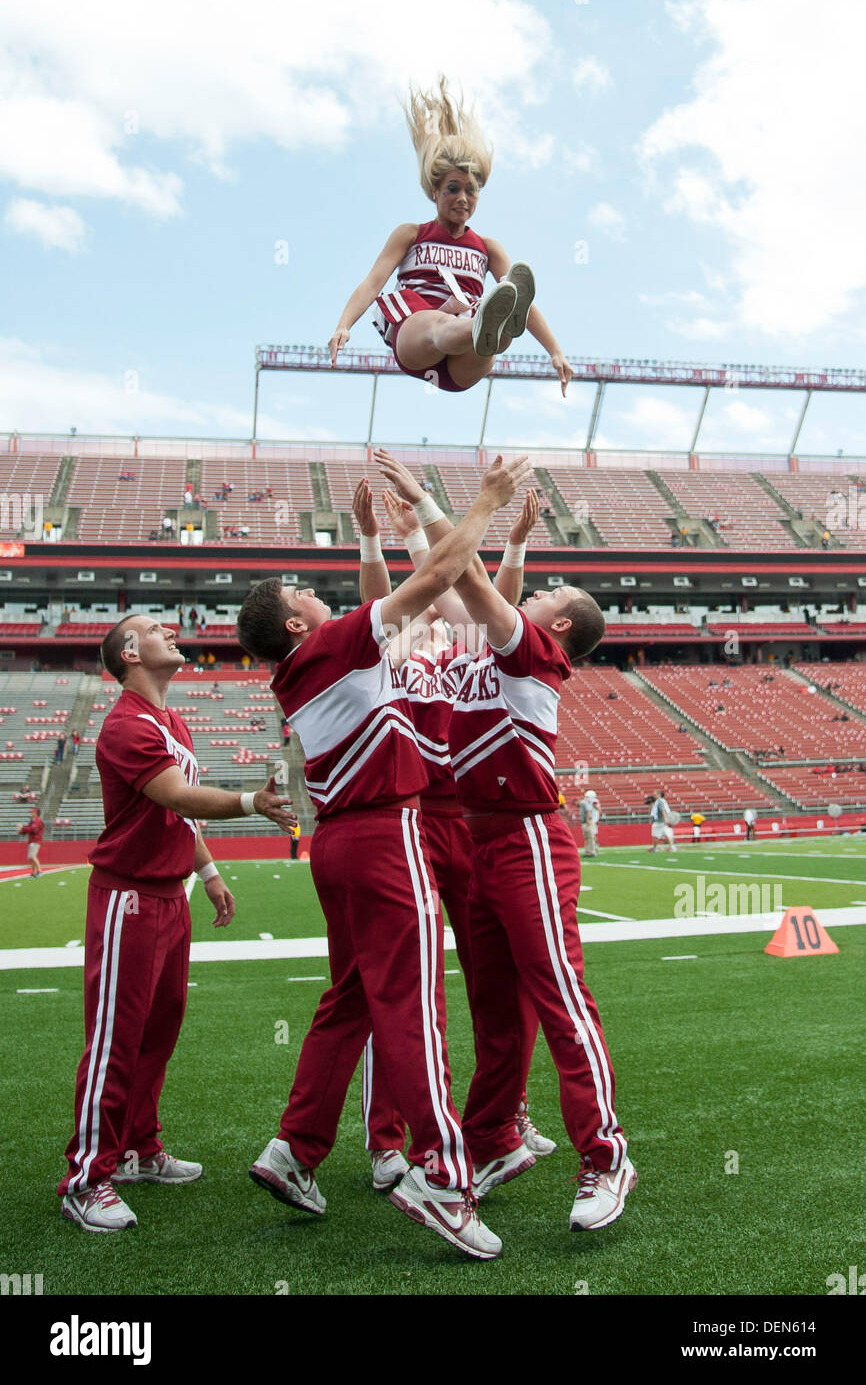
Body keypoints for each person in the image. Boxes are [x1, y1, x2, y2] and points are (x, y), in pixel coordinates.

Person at [235, 453, 531, 1260]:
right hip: (383, 828)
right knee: (414, 1005)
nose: (316, 593)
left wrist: (381, 535)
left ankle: (294, 1148)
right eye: (304, 594)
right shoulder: (329, 645)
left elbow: (402, 605)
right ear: (297, 624)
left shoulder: (316, 659)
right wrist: (483, 503)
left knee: (350, 999)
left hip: (338, 839)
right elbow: (435, 577)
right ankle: (440, 1172)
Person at [374, 450, 634, 1233]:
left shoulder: (531, 650)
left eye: (548, 592)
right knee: (493, 1005)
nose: (537, 590)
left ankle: (605, 1153)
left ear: (556, 626)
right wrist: (425, 519)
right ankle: (491, 1139)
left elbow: (475, 585)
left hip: (528, 839)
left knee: (560, 999)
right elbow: (449, 582)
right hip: (483, 844)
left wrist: (442, 500)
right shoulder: (484, 648)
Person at [57, 615, 296, 1234]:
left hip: (169, 895)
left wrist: (209, 872)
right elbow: (179, 797)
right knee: (115, 1040)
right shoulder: (125, 723)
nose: (171, 629)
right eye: (153, 627)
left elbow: (180, 822)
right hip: (128, 900)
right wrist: (250, 802)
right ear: (130, 653)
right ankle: (86, 1177)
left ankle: (138, 1148)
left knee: (157, 1033)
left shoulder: (171, 719)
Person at [352, 473, 555, 1192]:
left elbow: (481, 590)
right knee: (403, 982)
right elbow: (400, 592)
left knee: (498, 981)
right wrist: (385, 534)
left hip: (469, 820)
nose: (434, 599)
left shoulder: (466, 642)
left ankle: (506, 1112)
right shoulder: (402, 642)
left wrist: (519, 544)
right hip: (413, 815)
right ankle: (386, 1138)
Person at [328, 78, 572, 397]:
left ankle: (492, 327)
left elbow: (529, 306)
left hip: (463, 357)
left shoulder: (488, 248)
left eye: (471, 191)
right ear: (435, 192)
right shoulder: (411, 234)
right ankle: (484, 323)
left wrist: (555, 350)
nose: (462, 198)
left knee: (497, 335)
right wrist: (344, 324)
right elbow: (373, 282)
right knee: (443, 327)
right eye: (453, 189)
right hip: (418, 331)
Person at [18, 805, 44, 877]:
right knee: (30, 857)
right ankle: (34, 872)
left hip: (36, 841)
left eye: (32, 812)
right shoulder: (32, 821)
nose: (31, 814)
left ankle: (40, 871)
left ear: (36, 813)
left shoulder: (38, 821)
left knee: (32, 856)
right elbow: (28, 829)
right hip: (32, 841)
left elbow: (32, 829)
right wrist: (21, 831)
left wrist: (22, 827)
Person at [580, 790, 602, 857]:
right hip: (592, 820)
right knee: (591, 836)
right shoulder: (591, 801)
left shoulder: (590, 801)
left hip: (591, 820)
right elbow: (597, 809)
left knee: (591, 836)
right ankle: (593, 848)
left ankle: (593, 848)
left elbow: (595, 808)